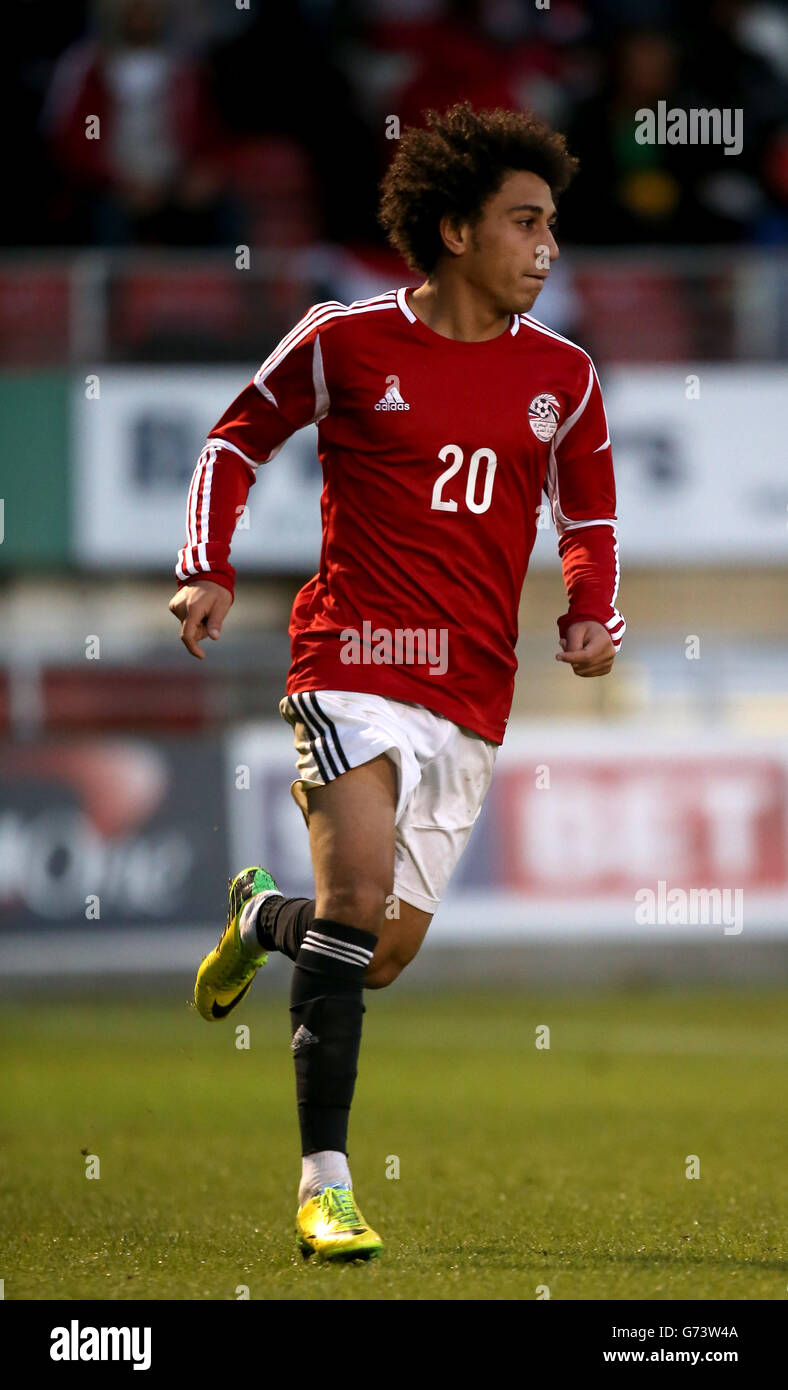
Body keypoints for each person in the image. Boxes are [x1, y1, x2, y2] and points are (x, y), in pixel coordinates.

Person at [168, 102, 625, 1263]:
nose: (547, 247)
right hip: (352, 661)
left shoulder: (563, 376)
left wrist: (587, 612)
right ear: (456, 230)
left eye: (552, 224)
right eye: (526, 223)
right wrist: (205, 569)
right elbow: (233, 440)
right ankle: (325, 1185)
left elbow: (589, 512)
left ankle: (254, 914)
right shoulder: (344, 340)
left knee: (371, 951)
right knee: (359, 896)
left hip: (470, 691)